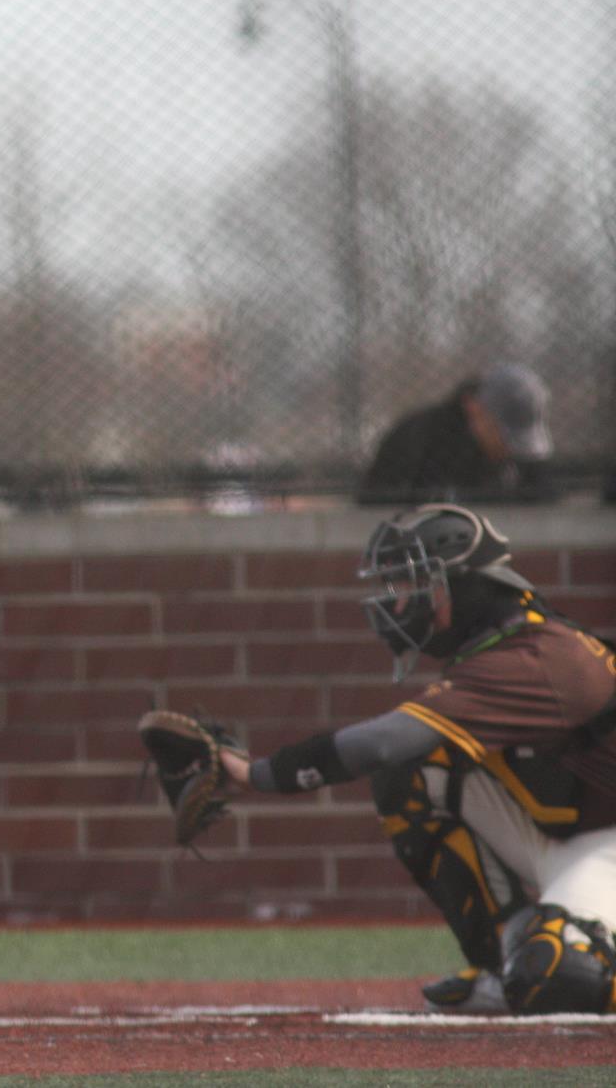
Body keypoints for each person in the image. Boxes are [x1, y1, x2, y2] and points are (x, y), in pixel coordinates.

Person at [212, 504, 616, 1014]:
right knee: (411, 775)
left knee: (561, 974)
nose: (402, 602)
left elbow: (383, 741)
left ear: (465, 584)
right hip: (568, 831)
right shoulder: (502, 646)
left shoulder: (535, 656)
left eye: (418, 584)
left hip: (608, 846)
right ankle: (500, 962)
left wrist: (255, 774)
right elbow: (398, 757)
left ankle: (553, 960)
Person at [358, 363, 554, 505]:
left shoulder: (522, 457)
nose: (510, 449)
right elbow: (377, 502)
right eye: (503, 434)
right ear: (474, 409)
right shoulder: (422, 439)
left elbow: (543, 494)